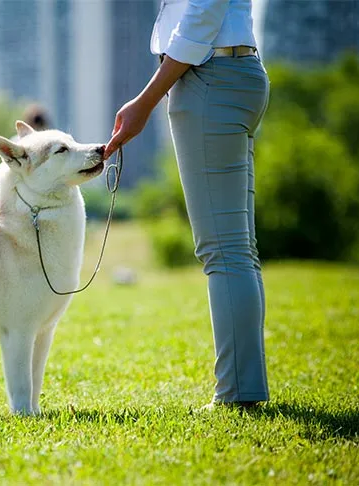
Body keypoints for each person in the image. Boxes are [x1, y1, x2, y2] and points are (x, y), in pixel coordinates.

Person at [104, 0, 269, 408]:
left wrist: (145, 102)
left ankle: (237, 395)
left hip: (210, 78)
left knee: (224, 251)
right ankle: (245, 387)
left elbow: (201, 14)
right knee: (238, 250)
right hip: (235, 72)